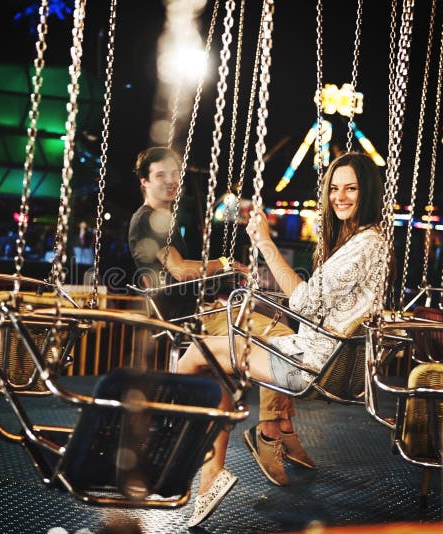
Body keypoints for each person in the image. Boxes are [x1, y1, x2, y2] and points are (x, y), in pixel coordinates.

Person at [177, 152, 387, 527]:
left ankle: (172, 437)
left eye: (351, 188)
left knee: (197, 353)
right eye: (335, 188)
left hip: (307, 362)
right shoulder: (363, 242)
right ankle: (210, 471)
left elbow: (304, 302)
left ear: (367, 191)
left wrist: (266, 245)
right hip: (310, 351)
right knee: (212, 364)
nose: (340, 196)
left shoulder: (367, 244)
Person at [127, 146, 314, 499]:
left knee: (279, 334)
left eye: (173, 173)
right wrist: (226, 263)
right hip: (193, 319)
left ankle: (280, 426)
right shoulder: (147, 220)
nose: (170, 181)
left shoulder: (166, 220)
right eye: (160, 175)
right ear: (144, 182)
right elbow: (180, 269)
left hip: (204, 308)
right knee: (281, 339)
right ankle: (272, 433)